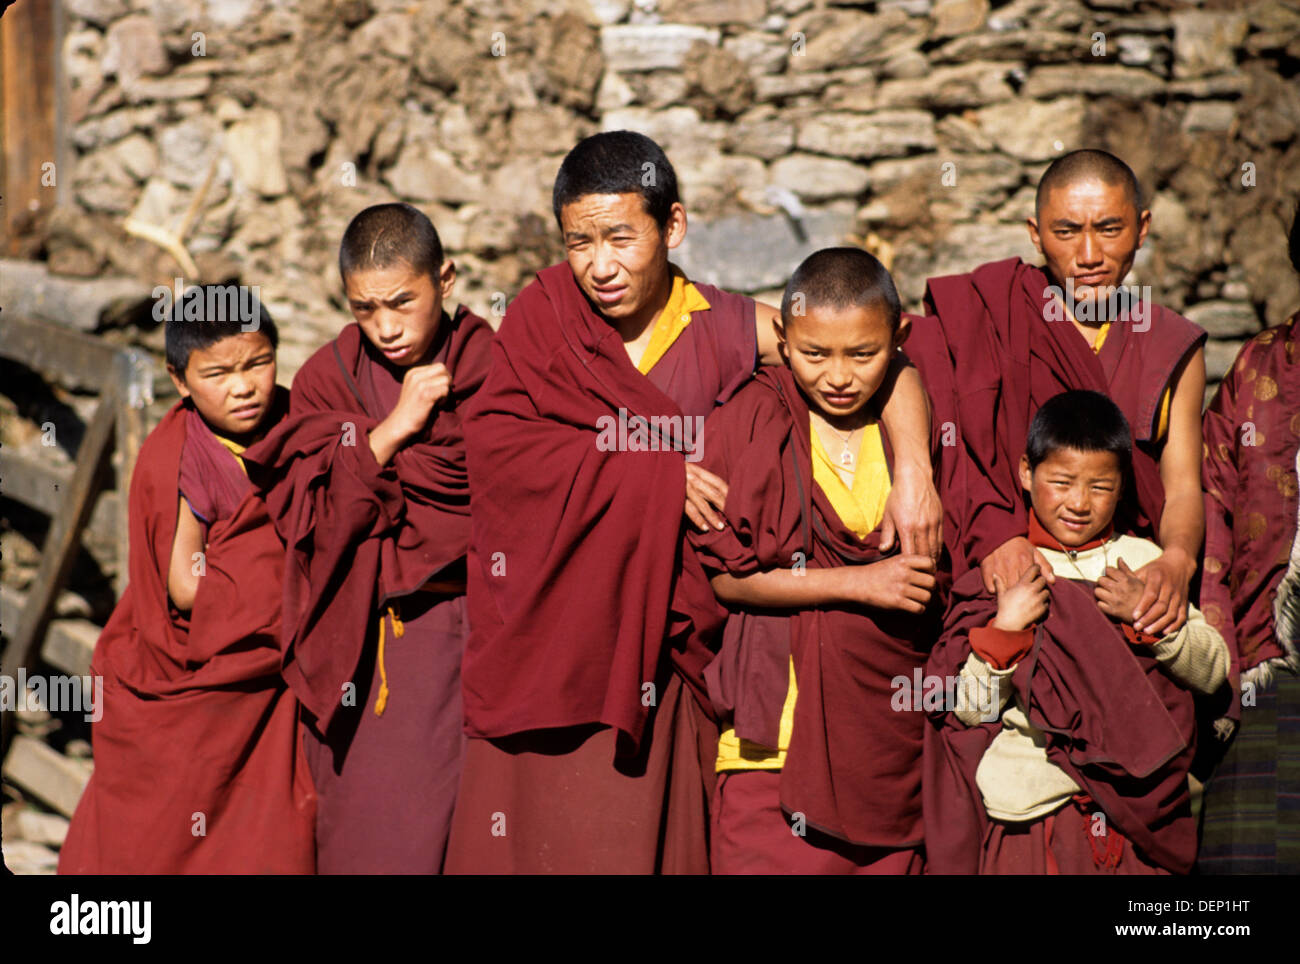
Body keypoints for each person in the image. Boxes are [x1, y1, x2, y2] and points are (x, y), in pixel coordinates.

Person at [444, 131, 941, 874]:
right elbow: (500, 459)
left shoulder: (726, 324)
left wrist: (915, 471)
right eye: (579, 242)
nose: (600, 265)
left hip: (661, 648)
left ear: (672, 227)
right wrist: (649, 473)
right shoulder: (542, 319)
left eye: (620, 236)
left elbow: (880, 351)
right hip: (553, 636)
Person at [244, 203, 493, 873]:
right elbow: (312, 524)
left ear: (445, 278)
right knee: (383, 837)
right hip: (379, 643)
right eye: (364, 309)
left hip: (487, 632)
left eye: (401, 302)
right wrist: (390, 431)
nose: (385, 327)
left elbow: (538, 495)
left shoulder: (490, 365)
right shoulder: (331, 379)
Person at [688, 248, 942, 874]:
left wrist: (916, 465)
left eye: (862, 355)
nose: (838, 377)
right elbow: (729, 577)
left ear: (898, 339)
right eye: (814, 354)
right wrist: (862, 582)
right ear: (781, 338)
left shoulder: (913, 416)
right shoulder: (753, 413)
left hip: (888, 738)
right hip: (774, 739)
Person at [60, 284, 315, 874]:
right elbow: (185, 585)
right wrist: (289, 592)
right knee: (173, 836)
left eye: (257, 363)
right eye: (219, 373)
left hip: (268, 672)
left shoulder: (296, 419)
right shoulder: (178, 455)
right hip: (203, 670)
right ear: (180, 381)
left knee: (268, 831)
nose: (244, 386)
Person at [906, 149, 1206, 641]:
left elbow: (1181, 487)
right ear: (1035, 233)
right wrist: (998, 534)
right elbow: (943, 429)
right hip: (1008, 584)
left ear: (1143, 227)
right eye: (1066, 232)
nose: (1089, 256)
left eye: (1110, 229)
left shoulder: (1167, 344)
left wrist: (1176, 560)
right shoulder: (991, 310)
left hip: (1123, 589)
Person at [925, 390, 1229, 874]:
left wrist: (1145, 616)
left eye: (1100, 487)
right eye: (1061, 482)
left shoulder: (1143, 563)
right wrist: (1006, 627)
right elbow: (969, 709)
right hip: (1032, 809)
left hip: (1135, 810)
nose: (1079, 504)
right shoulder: (1007, 570)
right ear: (1027, 473)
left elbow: (1213, 671)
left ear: (1123, 485)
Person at [1196, 202, 1300, 874]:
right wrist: (1224, 655)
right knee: (1248, 859)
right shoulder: (1265, 369)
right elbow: (1212, 506)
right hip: (1275, 660)